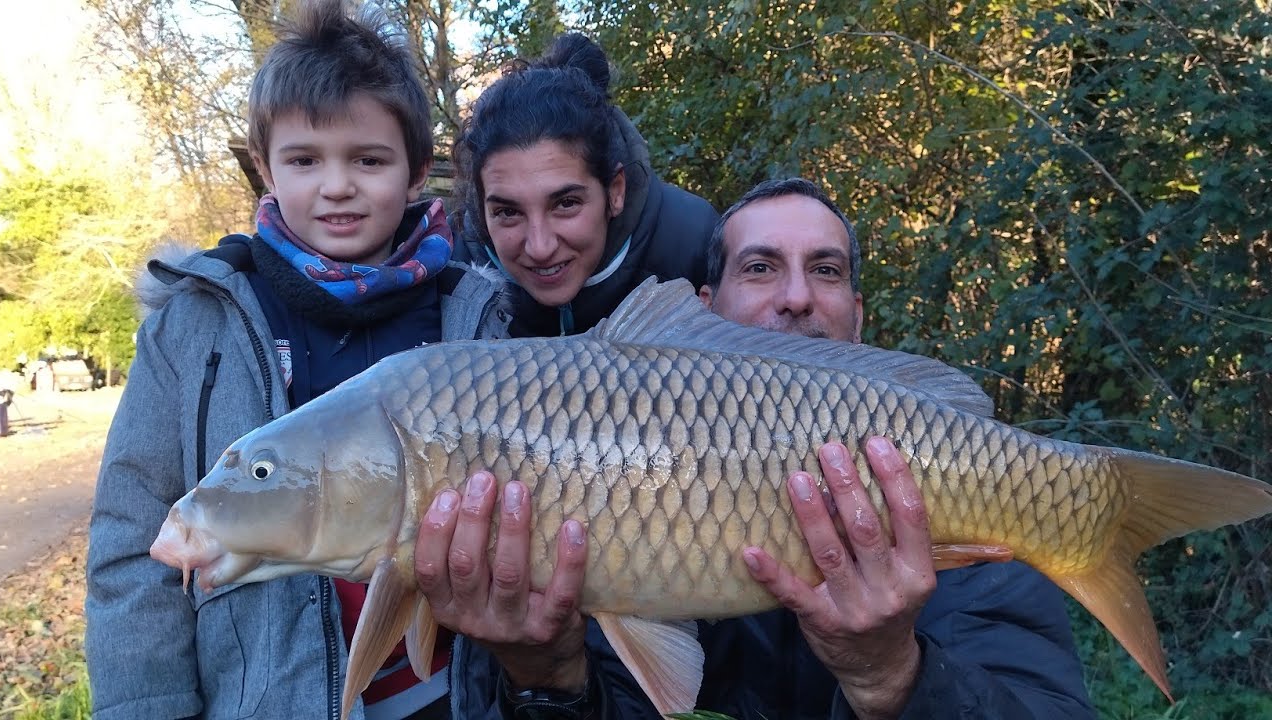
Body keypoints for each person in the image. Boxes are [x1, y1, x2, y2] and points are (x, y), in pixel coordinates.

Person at [425, 178, 1095, 718]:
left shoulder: (976, 495)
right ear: (704, 309)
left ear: (859, 316)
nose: (796, 297)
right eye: (760, 267)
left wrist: (892, 676)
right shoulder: (596, 479)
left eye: (825, 270)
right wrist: (547, 678)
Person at [84, 2, 510, 719]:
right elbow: (131, 548)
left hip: (453, 694)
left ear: (415, 173)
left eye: (368, 159)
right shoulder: (194, 324)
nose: (336, 185)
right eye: (305, 160)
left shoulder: (475, 316)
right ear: (265, 169)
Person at [452, 33, 718, 338]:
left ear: (615, 191)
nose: (540, 248)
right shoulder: (449, 270)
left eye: (566, 204)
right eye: (508, 212)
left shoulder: (694, 242)